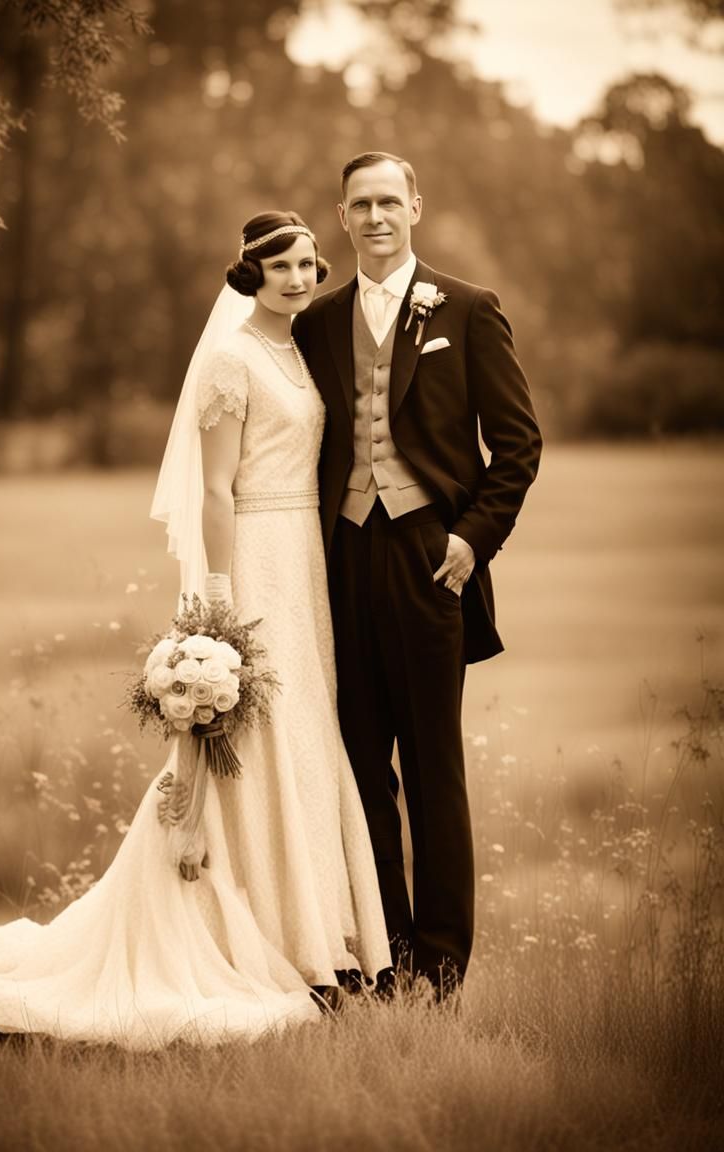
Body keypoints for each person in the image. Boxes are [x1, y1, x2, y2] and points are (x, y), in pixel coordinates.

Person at [0, 211, 392, 1048]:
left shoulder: (301, 353)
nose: (303, 278)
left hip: (307, 556)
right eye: (284, 268)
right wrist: (225, 596)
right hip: (256, 554)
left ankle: (313, 940)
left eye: (311, 264)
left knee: (306, 735)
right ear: (251, 276)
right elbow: (216, 490)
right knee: (257, 738)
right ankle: (257, 940)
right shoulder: (231, 360)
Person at [292, 152, 542, 1001]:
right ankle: (383, 955)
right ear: (341, 215)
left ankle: (439, 971)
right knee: (360, 764)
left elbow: (518, 446)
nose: (374, 217)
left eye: (388, 202)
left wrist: (474, 541)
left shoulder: (468, 310)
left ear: (415, 208)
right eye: (359, 204)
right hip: (344, 558)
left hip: (432, 557)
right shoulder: (317, 322)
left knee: (433, 767)